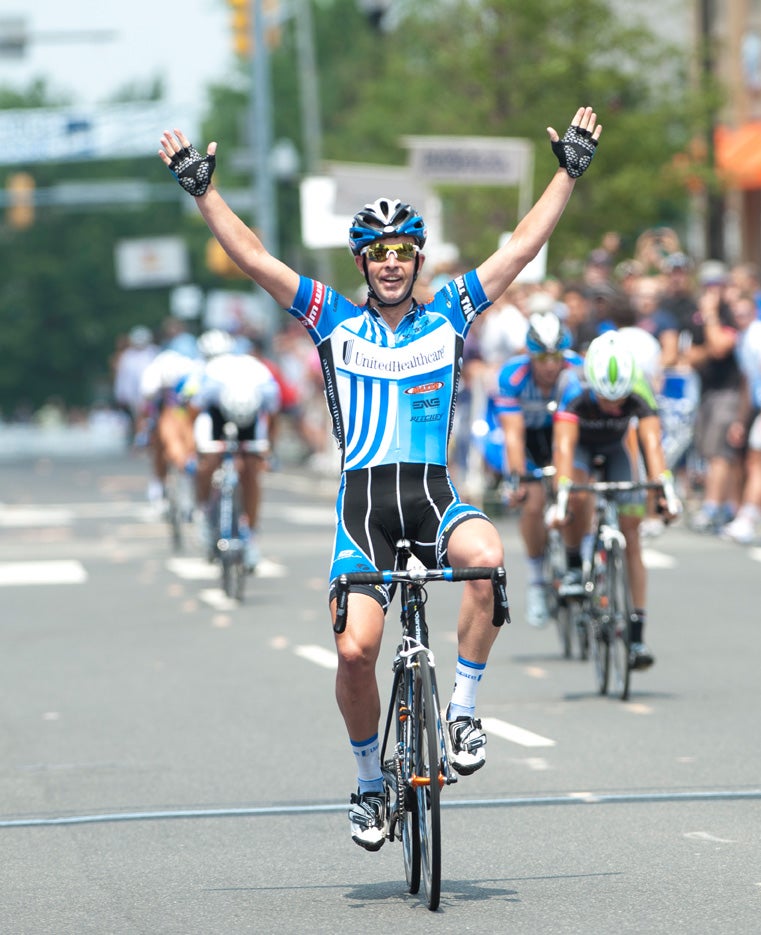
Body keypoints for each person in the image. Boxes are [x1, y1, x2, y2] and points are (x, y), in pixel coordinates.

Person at [159, 105, 602, 851]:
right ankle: (369, 780)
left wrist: (567, 175)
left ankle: (463, 710)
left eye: (402, 250)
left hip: (432, 495)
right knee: (355, 651)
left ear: (417, 259)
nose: (391, 262)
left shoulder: (452, 314)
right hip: (364, 505)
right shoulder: (331, 319)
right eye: (378, 252)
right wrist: (204, 194)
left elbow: (522, 247)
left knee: (487, 557)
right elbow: (256, 259)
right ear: (362, 263)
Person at [552, 331, 681, 671]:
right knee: (577, 493)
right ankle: (574, 566)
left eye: (619, 400)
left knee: (632, 536)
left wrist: (664, 492)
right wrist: (562, 495)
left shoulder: (638, 387)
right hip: (580, 448)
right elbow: (563, 447)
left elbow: (652, 445)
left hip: (615, 448)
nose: (612, 406)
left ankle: (636, 636)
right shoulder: (574, 386)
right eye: (604, 399)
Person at [493, 312, 581, 627]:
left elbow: (574, 435)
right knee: (532, 504)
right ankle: (536, 581)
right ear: (530, 355)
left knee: (573, 494)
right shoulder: (513, 375)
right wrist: (517, 477)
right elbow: (513, 435)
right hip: (529, 439)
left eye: (556, 357)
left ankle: (578, 559)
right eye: (542, 357)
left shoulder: (576, 371)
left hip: (565, 434)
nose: (550, 365)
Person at [185, 329, 281, 571]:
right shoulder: (211, 382)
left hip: (251, 419)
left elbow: (272, 420)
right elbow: (194, 414)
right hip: (215, 415)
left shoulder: (265, 386)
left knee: (252, 469)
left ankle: (250, 536)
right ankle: (203, 513)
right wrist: (196, 449)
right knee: (208, 461)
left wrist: (267, 450)